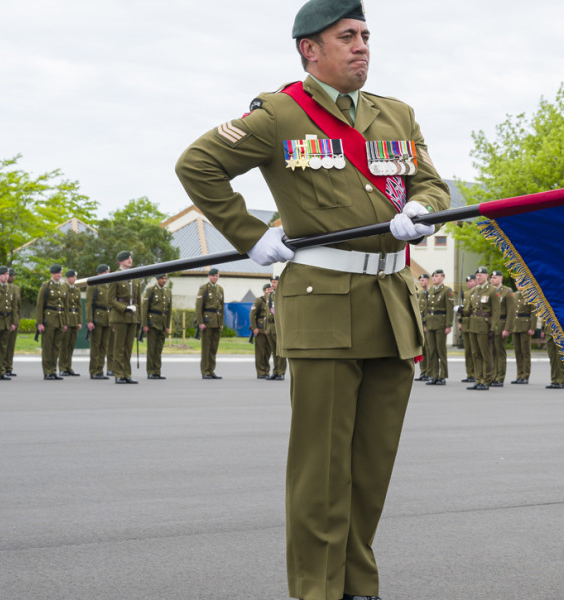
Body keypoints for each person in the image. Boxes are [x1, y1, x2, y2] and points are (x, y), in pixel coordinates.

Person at [173, 1, 452, 597]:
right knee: (321, 472)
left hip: (391, 302)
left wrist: (422, 207)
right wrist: (251, 236)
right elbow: (197, 164)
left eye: (366, 36)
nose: (362, 47)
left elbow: (428, 177)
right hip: (323, 301)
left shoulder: (395, 113)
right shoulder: (279, 115)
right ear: (310, 49)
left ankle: (358, 586)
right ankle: (317, 591)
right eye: (347, 36)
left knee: (371, 469)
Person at [462, 267, 498, 390]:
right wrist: (461, 310)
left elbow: (496, 312)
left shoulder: (492, 291)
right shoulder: (474, 290)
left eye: (481, 275)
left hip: (484, 325)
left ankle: (486, 380)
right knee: (475, 353)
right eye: (477, 275)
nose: (478, 277)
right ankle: (478, 379)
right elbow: (469, 309)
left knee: (485, 354)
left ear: (486, 276)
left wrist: (494, 328)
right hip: (473, 324)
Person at [109, 251, 142, 384]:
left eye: (130, 258)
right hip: (120, 316)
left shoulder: (135, 277)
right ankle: (119, 374)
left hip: (132, 317)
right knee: (119, 347)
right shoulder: (115, 276)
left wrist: (138, 317)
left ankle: (127, 374)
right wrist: (124, 308)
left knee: (128, 347)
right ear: (120, 261)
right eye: (127, 258)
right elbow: (110, 299)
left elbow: (138, 300)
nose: (130, 260)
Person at [36, 264, 69, 381]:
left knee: (56, 347)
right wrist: (40, 322)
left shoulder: (64, 286)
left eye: (61, 273)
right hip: (49, 319)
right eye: (58, 273)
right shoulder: (46, 286)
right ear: (52, 274)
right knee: (48, 347)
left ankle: (54, 371)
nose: (60, 275)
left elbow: (66, 305)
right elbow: (40, 305)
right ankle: (47, 371)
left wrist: (65, 322)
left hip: (60, 319)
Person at [423, 269, 453, 385]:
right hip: (430, 323)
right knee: (431, 351)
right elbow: (426, 308)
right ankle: (434, 375)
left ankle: (443, 375)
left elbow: (450, 309)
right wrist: (425, 323)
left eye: (437, 276)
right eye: (433, 276)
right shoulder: (430, 291)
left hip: (441, 323)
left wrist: (449, 325)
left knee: (441, 351)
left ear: (442, 278)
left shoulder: (446, 291)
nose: (434, 278)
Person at [195, 269, 225, 379]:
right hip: (207, 322)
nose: (215, 278)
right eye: (213, 276)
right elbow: (198, 306)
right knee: (206, 348)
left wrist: (221, 322)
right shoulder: (204, 288)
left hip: (216, 321)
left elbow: (221, 307)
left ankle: (212, 370)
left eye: (217, 276)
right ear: (209, 276)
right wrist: (200, 322)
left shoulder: (220, 289)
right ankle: (205, 371)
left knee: (213, 348)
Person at [504, 287, 537, 384]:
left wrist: (532, 328)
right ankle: (519, 375)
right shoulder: (513, 295)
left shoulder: (530, 295)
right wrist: (508, 326)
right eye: (518, 282)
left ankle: (525, 376)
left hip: (525, 325)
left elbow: (534, 313)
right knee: (517, 352)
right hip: (515, 325)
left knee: (525, 352)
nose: (519, 285)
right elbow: (509, 311)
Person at [143, 273, 172, 380]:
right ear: (157, 279)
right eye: (162, 278)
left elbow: (169, 309)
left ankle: (157, 371)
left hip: (163, 322)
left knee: (159, 349)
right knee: (151, 349)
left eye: (165, 278)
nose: (164, 280)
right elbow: (145, 308)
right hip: (153, 322)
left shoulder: (168, 291)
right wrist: (145, 324)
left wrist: (167, 325)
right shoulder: (151, 290)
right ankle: (150, 371)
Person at [87, 264, 114, 380]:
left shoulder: (109, 286)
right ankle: (94, 370)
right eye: (107, 272)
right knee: (95, 346)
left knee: (104, 346)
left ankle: (100, 370)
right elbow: (88, 304)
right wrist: (89, 320)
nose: (108, 274)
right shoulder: (94, 285)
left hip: (107, 318)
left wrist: (112, 321)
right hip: (97, 318)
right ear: (102, 272)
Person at [488, 270, 512, 387]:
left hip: (501, 324)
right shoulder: (489, 291)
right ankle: (493, 376)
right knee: (492, 352)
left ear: (501, 279)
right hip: (491, 325)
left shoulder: (507, 292)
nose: (493, 279)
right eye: (491, 277)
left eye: (495, 277)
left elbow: (511, 312)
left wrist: (507, 328)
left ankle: (500, 377)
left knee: (500, 352)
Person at [59, 269, 83, 376]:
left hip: (74, 318)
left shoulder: (76, 289)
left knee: (71, 345)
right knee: (64, 345)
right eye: (73, 277)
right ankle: (63, 367)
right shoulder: (63, 288)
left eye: (75, 277)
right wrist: (64, 321)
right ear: (68, 278)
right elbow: (62, 305)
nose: (75, 279)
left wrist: (79, 321)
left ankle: (68, 367)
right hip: (67, 318)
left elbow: (79, 306)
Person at [251, 283, 277, 379]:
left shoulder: (272, 300)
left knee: (268, 352)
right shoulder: (259, 300)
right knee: (260, 352)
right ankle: (261, 372)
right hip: (260, 330)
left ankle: (266, 371)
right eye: (267, 289)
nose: (269, 291)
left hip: (269, 330)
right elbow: (252, 315)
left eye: (270, 289)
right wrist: (254, 328)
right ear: (264, 291)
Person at [459, 274, 477, 382]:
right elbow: (464, 311)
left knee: (474, 351)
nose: (469, 283)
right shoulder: (466, 294)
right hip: (466, 324)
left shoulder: (477, 292)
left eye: (471, 281)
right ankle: (470, 374)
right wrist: (460, 321)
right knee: (468, 352)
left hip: (474, 323)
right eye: (468, 281)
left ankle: (476, 373)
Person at [4, 268, 21, 377]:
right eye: (11, 275)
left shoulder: (16, 288)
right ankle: (2, 368)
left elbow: (18, 306)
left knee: (11, 346)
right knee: (4, 345)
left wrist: (17, 320)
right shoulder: (4, 287)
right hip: (5, 320)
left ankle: (8, 368)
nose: (12, 277)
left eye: (13, 275)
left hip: (14, 320)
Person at [415, 273, 431, 381]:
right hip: (421, 325)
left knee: (429, 350)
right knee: (422, 350)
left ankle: (429, 371)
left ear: (428, 281)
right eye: (420, 281)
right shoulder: (420, 294)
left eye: (423, 280)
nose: (422, 282)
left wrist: (425, 324)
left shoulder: (431, 293)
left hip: (428, 324)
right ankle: (423, 371)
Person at [269, 275, 286, 381]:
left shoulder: (283, 293)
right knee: (274, 351)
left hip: (279, 325)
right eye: (272, 282)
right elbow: (268, 311)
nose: (273, 284)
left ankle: (281, 372)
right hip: (271, 326)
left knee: (281, 351)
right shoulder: (271, 295)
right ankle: (275, 371)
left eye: (275, 282)